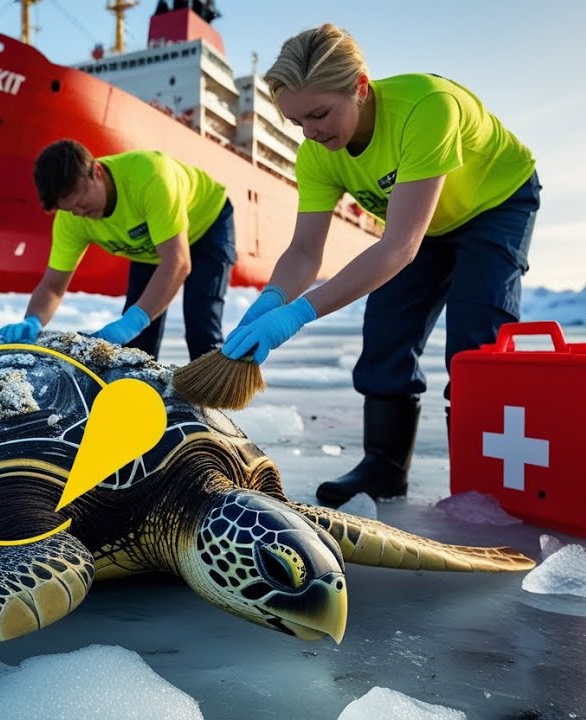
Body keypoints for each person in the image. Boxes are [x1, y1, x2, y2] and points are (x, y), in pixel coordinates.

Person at [221, 24, 540, 506]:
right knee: (387, 326)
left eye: (319, 114)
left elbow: (399, 247)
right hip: (421, 225)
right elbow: (305, 251)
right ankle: (384, 467)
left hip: (496, 203)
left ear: (361, 87)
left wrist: (299, 314)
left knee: (476, 340)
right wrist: (272, 299)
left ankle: (487, 482)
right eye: (297, 122)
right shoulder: (317, 154)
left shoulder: (427, 108)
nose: (310, 132)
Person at [0, 139, 236, 361]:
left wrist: (130, 323)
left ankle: (216, 391)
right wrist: (33, 321)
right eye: (70, 209)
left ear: (97, 172)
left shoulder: (149, 176)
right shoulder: (73, 218)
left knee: (200, 325)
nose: (79, 213)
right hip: (150, 246)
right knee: (136, 346)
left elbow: (178, 262)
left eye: (81, 201)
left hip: (206, 222)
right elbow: (53, 286)